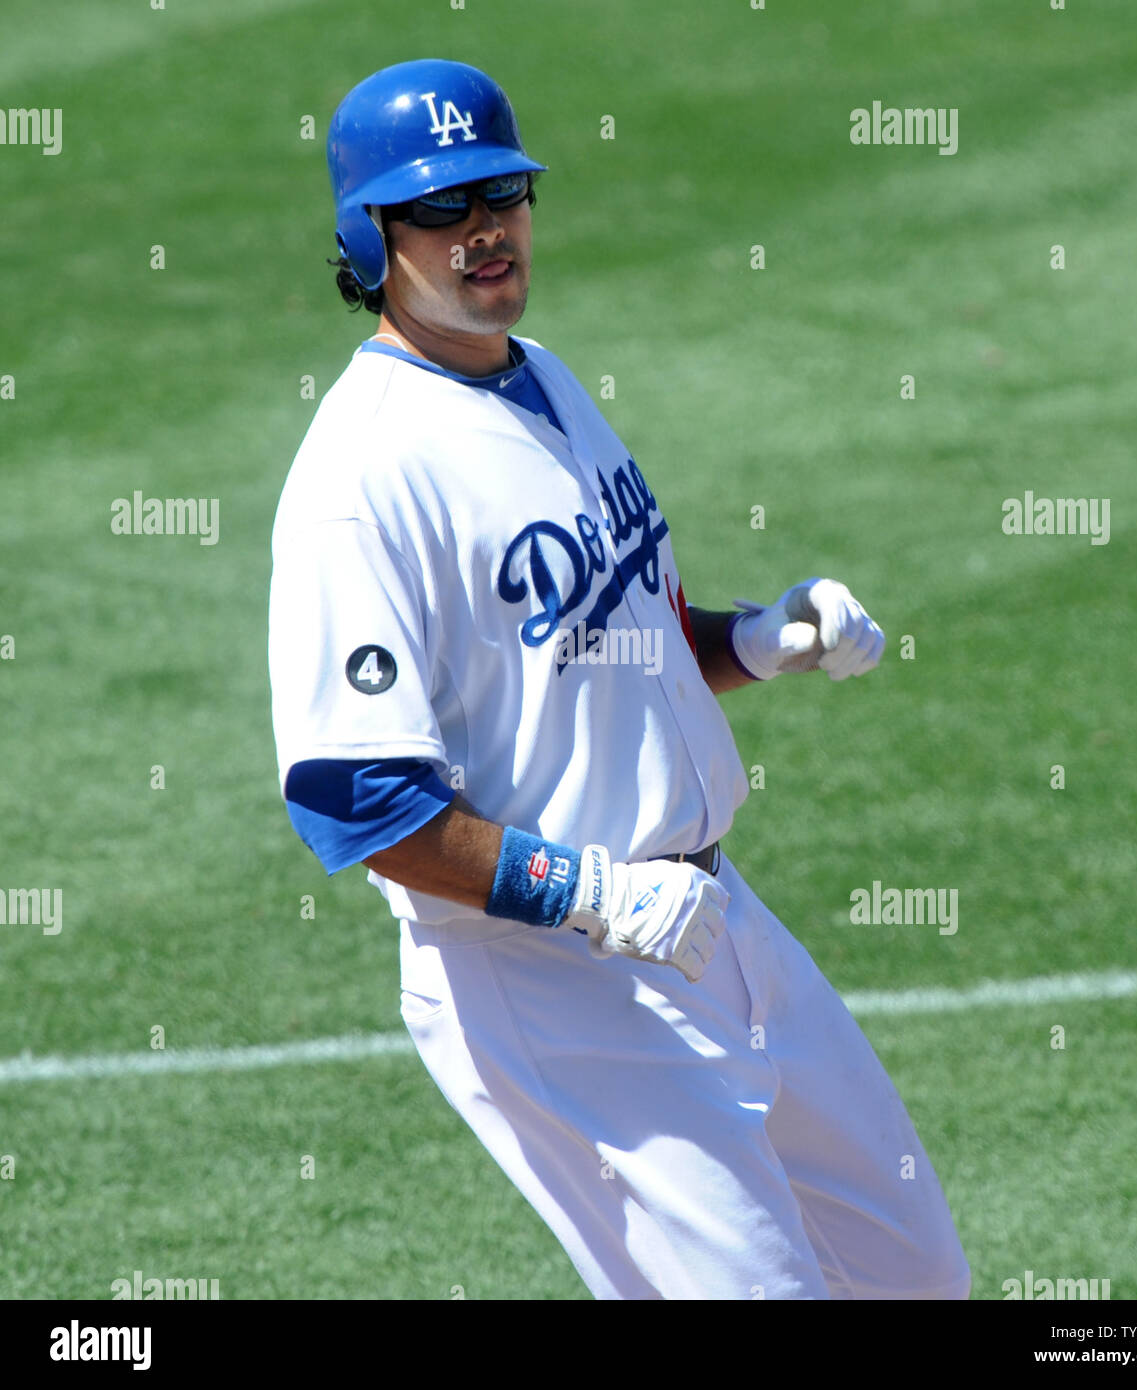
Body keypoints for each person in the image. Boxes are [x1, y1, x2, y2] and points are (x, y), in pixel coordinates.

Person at [267, 58, 970, 1301]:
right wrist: (591, 893)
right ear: (367, 240)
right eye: (436, 208)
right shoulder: (360, 482)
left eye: (501, 190)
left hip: (714, 918)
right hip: (551, 982)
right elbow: (359, 801)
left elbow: (610, 630)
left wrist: (758, 639)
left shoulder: (537, 376)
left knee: (911, 1277)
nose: (482, 227)